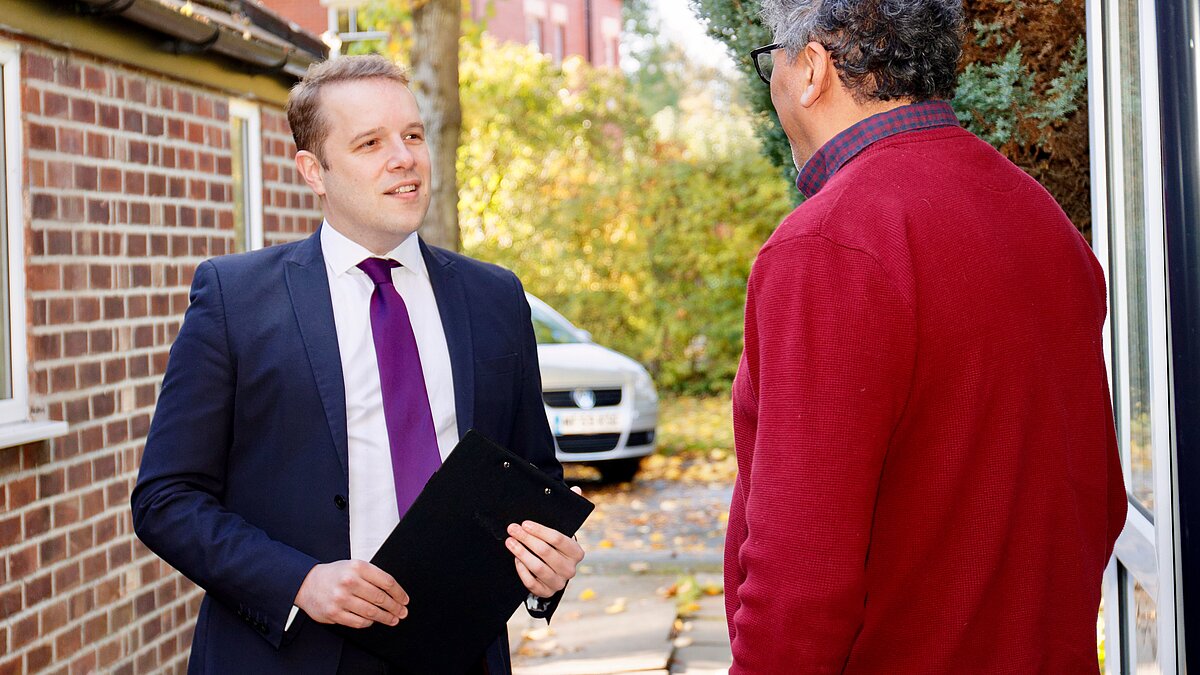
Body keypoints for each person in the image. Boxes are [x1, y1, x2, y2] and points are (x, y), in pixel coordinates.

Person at [131, 55, 584, 675]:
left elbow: (533, 483)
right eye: (370, 143)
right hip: (287, 656)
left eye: (412, 135)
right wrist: (300, 581)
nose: (403, 157)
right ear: (313, 171)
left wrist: (545, 571)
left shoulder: (495, 299)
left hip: (459, 656)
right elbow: (166, 497)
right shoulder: (235, 299)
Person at [724, 1, 1127, 672]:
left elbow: (799, 589)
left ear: (812, 71)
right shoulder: (1043, 220)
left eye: (773, 59)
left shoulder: (827, 246)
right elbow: (1100, 496)